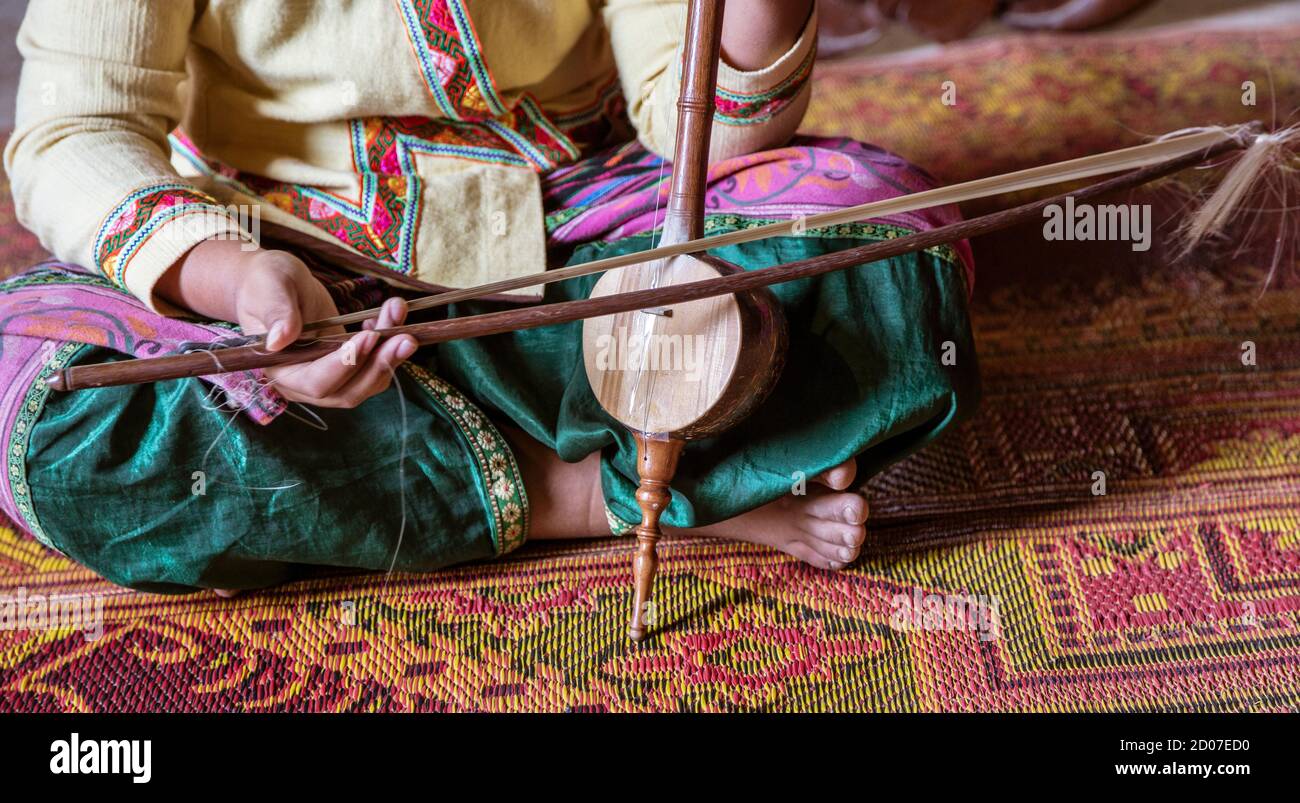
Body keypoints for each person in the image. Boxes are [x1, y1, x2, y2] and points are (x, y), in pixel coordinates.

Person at [1, 0, 977, 594]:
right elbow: (75, 130)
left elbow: (703, 131)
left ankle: (494, 465)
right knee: (48, 407)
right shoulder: (249, 272)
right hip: (281, 253)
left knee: (879, 250)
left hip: (581, 225)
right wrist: (238, 281)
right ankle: (610, 486)